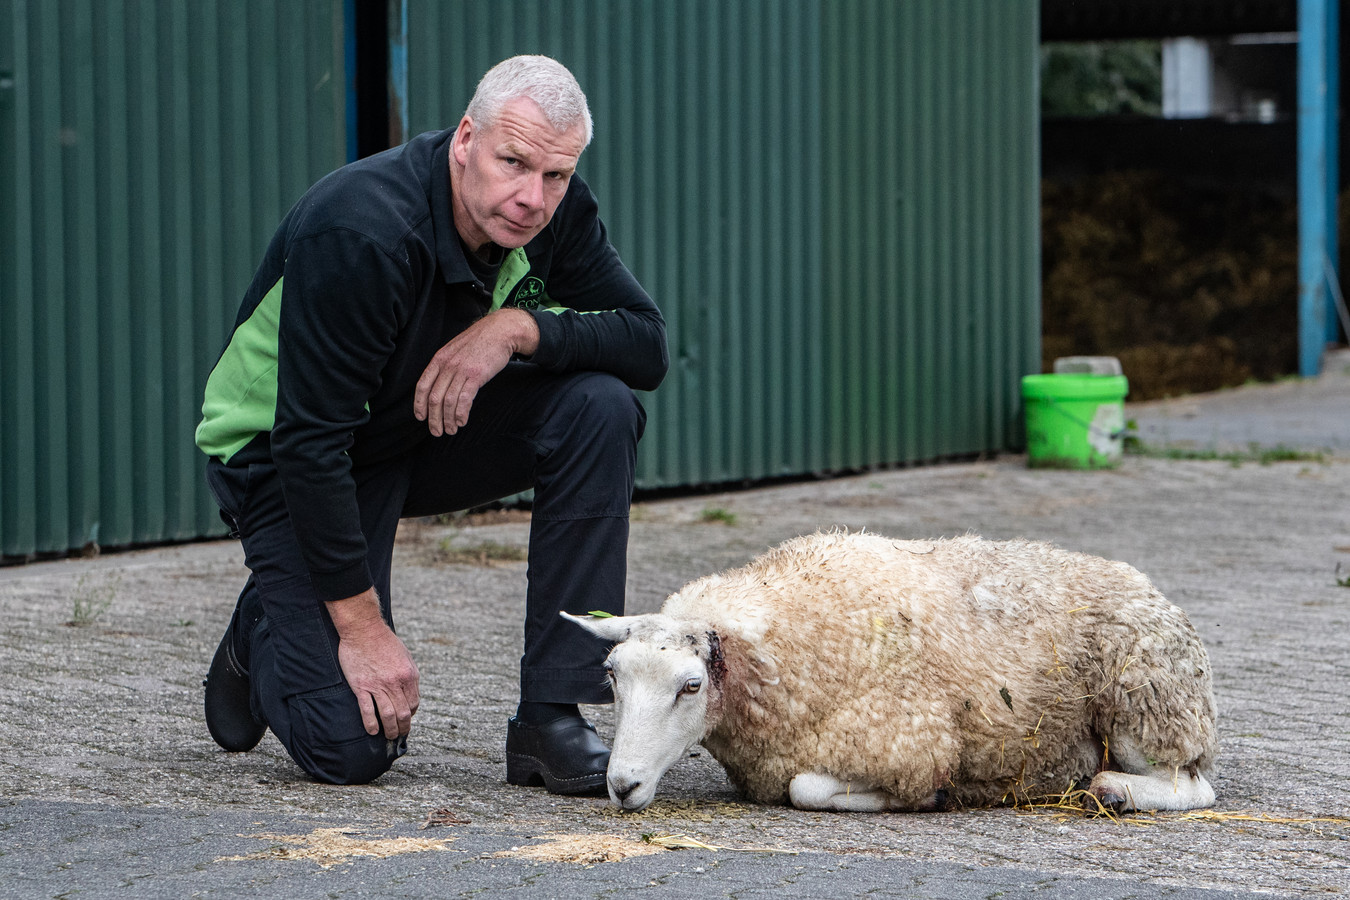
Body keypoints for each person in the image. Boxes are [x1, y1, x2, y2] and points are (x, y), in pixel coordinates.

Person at [195, 55, 667, 791]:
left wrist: (515, 329)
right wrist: (362, 628)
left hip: (412, 432)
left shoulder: (555, 211)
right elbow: (309, 443)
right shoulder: (362, 230)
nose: (531, 198)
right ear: (465, 140)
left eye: (556, 174)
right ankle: (264, 626)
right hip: (283, 459)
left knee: (599, 407)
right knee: (352, 747)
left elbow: (647, 344)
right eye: (513, 163)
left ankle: (550, 717)